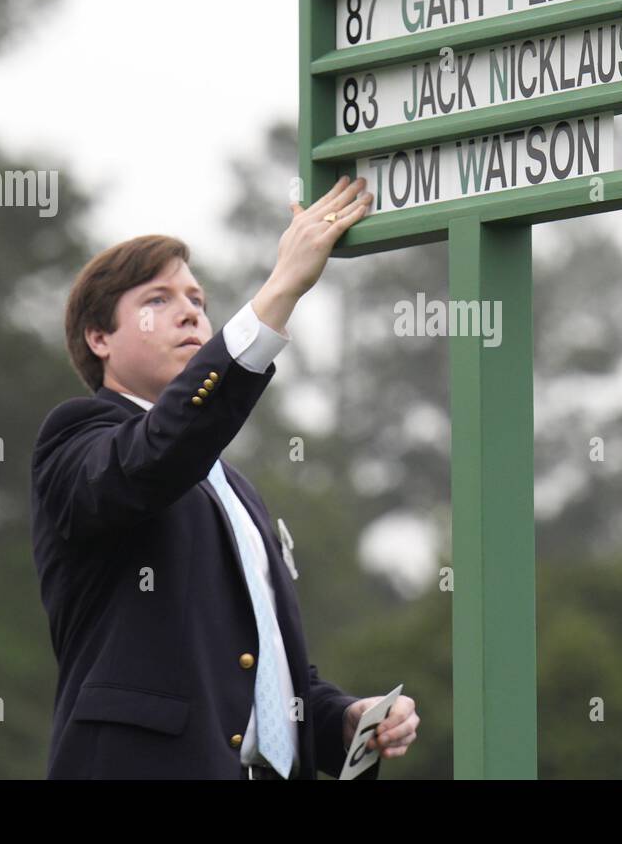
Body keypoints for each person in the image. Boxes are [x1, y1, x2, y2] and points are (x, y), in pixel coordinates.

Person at [30, 175, 418, 779]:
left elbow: (262, 675)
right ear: (99, 337)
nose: (189, 310)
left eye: (197, 299)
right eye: (157, 300)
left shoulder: (236, 490)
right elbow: (156, 453)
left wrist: (342, 718)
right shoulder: (76, 437)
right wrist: (281, 288)